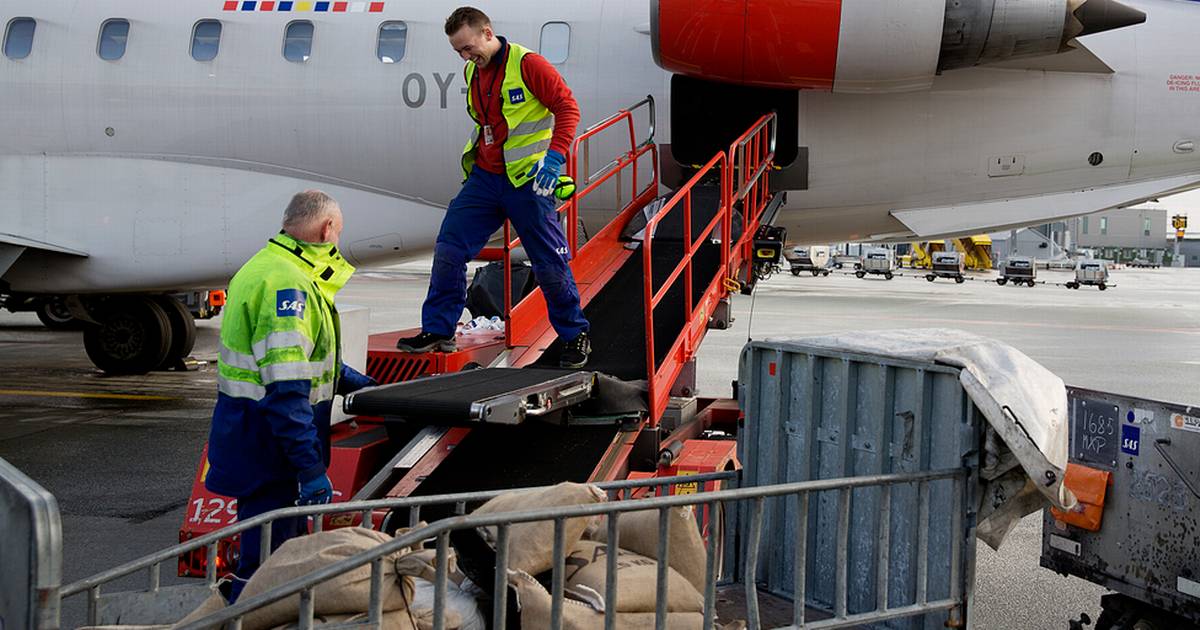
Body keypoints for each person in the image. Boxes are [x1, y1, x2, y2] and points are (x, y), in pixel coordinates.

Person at [395, 6, 591, 368]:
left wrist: (554, 157)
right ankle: (439, 329)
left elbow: (567, 108)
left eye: (468, 48)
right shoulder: (474, 71)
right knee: (449, 249)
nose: (465, 57)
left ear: (488, 33)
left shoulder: (529, 64)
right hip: (485, 179)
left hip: (529, 181)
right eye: (458, 52)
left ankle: (574, 335)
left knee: (549, 262)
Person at [203, 190, 375, 601]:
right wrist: (310, 467)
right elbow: (286, 390)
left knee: (269, 558)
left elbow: (296, 362)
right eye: (337, 233)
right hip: (271, 450)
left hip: (250, 435)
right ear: (327, 228)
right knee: (269, 571)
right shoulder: (289, 286)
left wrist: (355, 382)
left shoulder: (264, 266)